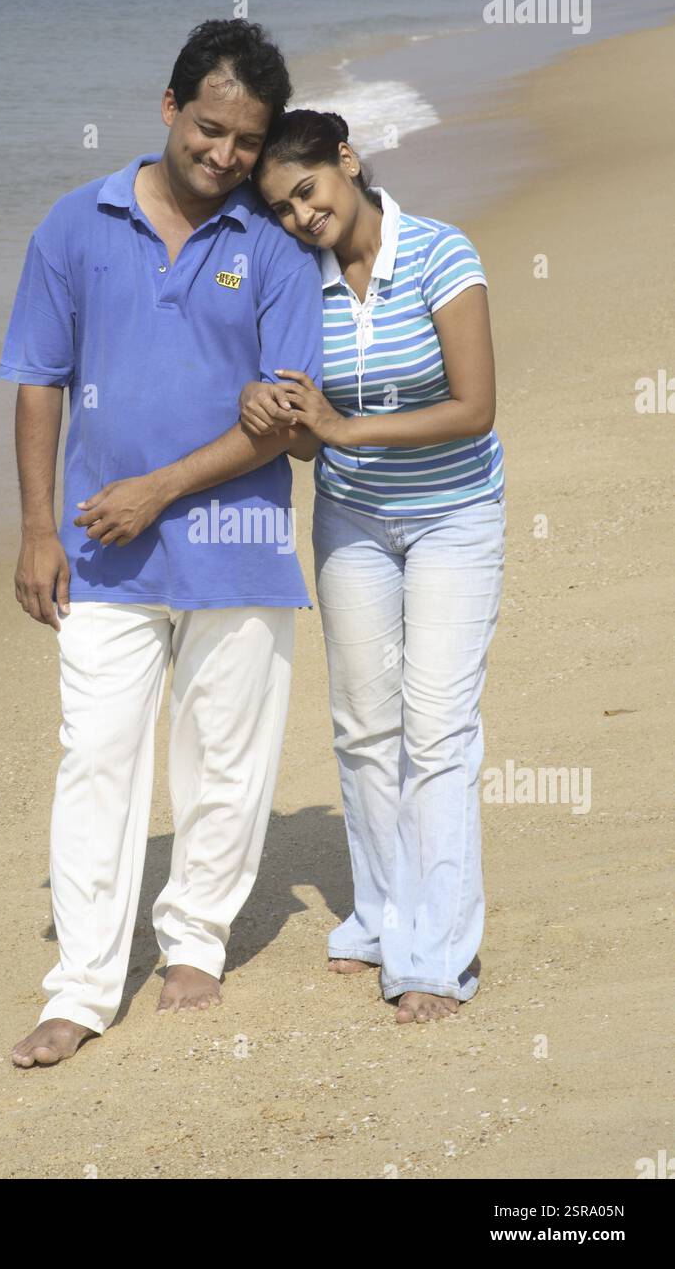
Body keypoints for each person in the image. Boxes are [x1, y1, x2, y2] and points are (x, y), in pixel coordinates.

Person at [0, 21, 322, 1067]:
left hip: (239, 540)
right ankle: (83, 985)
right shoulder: (74, 223)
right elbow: (39, 377)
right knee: (96, 755)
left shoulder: (272, 245)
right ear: (170, 105)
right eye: (209, 127)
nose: (224, 155)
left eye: (244, 140)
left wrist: (162, 488)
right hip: (99, 549)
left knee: (225, 757)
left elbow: (282, 412)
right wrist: (39, 526)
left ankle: (194, 938)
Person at [240, 110, 505, 1023]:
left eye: (307, 191)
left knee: (434, 731)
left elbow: (475, 408)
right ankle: (382, 914)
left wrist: (347, 427)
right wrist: (283, 413)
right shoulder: (296, 284)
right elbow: (313, 443)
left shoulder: (439, 252)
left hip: (455, 519)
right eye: (279, 208)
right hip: (351, 518)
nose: (299, 216)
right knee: (361, 725)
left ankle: (436, 958)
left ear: (346, 162)